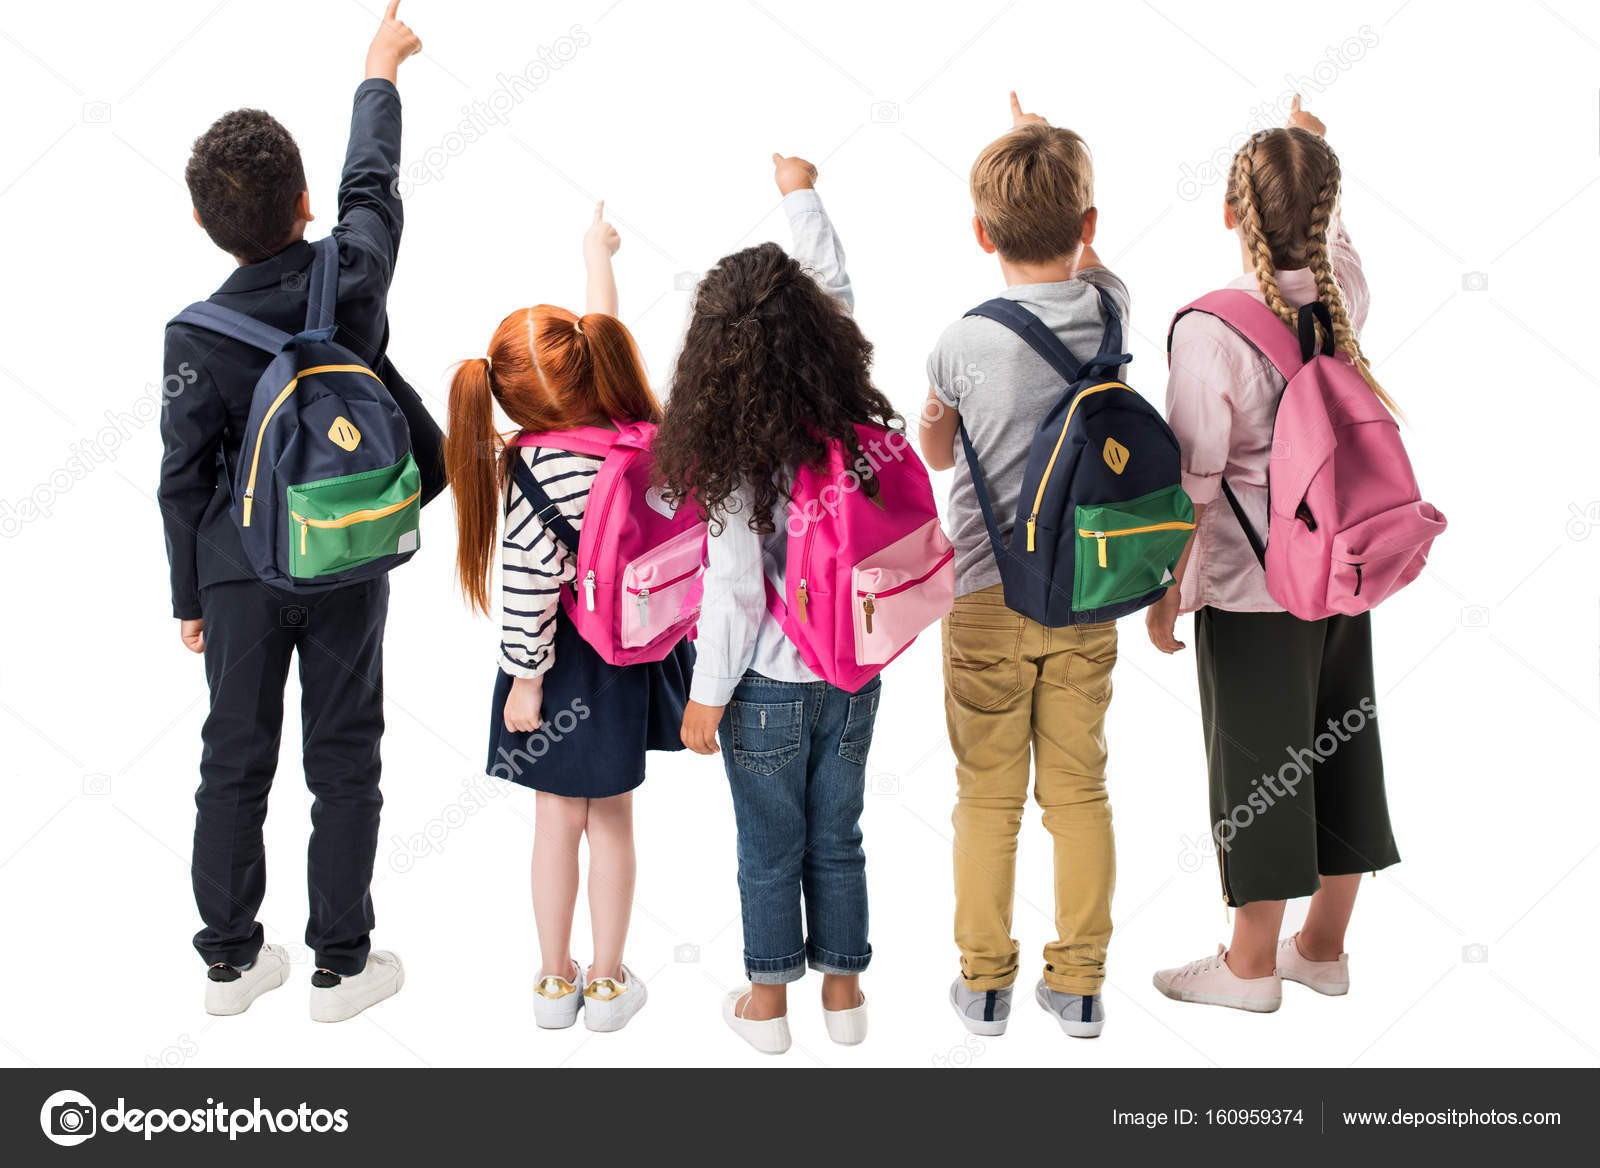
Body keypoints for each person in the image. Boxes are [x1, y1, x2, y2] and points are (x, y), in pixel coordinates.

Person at [158, 0, 442, 1022]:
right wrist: (380, 70)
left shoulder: (192, 334)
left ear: (202, 222)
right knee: (345, 754)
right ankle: (340, 965)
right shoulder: (351, 274)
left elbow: (180, 477)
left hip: (236, 570)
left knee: (232, 757)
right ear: (306, 199)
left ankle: (230, 963)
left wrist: (188, 593)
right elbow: (377, 182)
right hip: (346, 549)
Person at [1147, 97, 1400, 1013]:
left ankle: (1250, 966)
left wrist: (1171, 594)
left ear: (1229, 214)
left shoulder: (1209, 330)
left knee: (1259, 766)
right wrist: (1319, 150)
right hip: (1345, 573)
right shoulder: (1343, 299)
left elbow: (1196, 480)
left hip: (1253, 589)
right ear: (1325, 220)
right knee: (1343, 747)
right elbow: (1338, 250)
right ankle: (1322, 948)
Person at [445, 203, 692, 1033]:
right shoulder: (632, 436)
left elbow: (527, 586)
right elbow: (606, 327)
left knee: (556, 819)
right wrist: (597, 254)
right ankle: (612, 982)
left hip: (553, 665)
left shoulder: (530, 472)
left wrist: (525, 679)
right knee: (613, 816)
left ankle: (555, 983)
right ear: (595, 373)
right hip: (627, 654)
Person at [660, 154, 885, 1054]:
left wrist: (706, 694)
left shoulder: (734, 452)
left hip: (765, 689)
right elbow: (832, 285)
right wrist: (801, 193)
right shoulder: (838, 400)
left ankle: (767, 1005)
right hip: (856, 669)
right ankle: (845, 996)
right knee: (840, 836)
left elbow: (736, 591)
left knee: (768, 848)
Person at [918, 92, 1129, 1039]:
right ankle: (1080, 987)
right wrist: (1043, 142)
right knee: (1080, 791)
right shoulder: (1109, 307)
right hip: (1089, 587)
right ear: (1089, 225)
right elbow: (1097, 264)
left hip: (985, 595)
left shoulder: (961, 342)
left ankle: (985, 985)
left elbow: (932, 453)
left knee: (987, 798)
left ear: (977, 232)